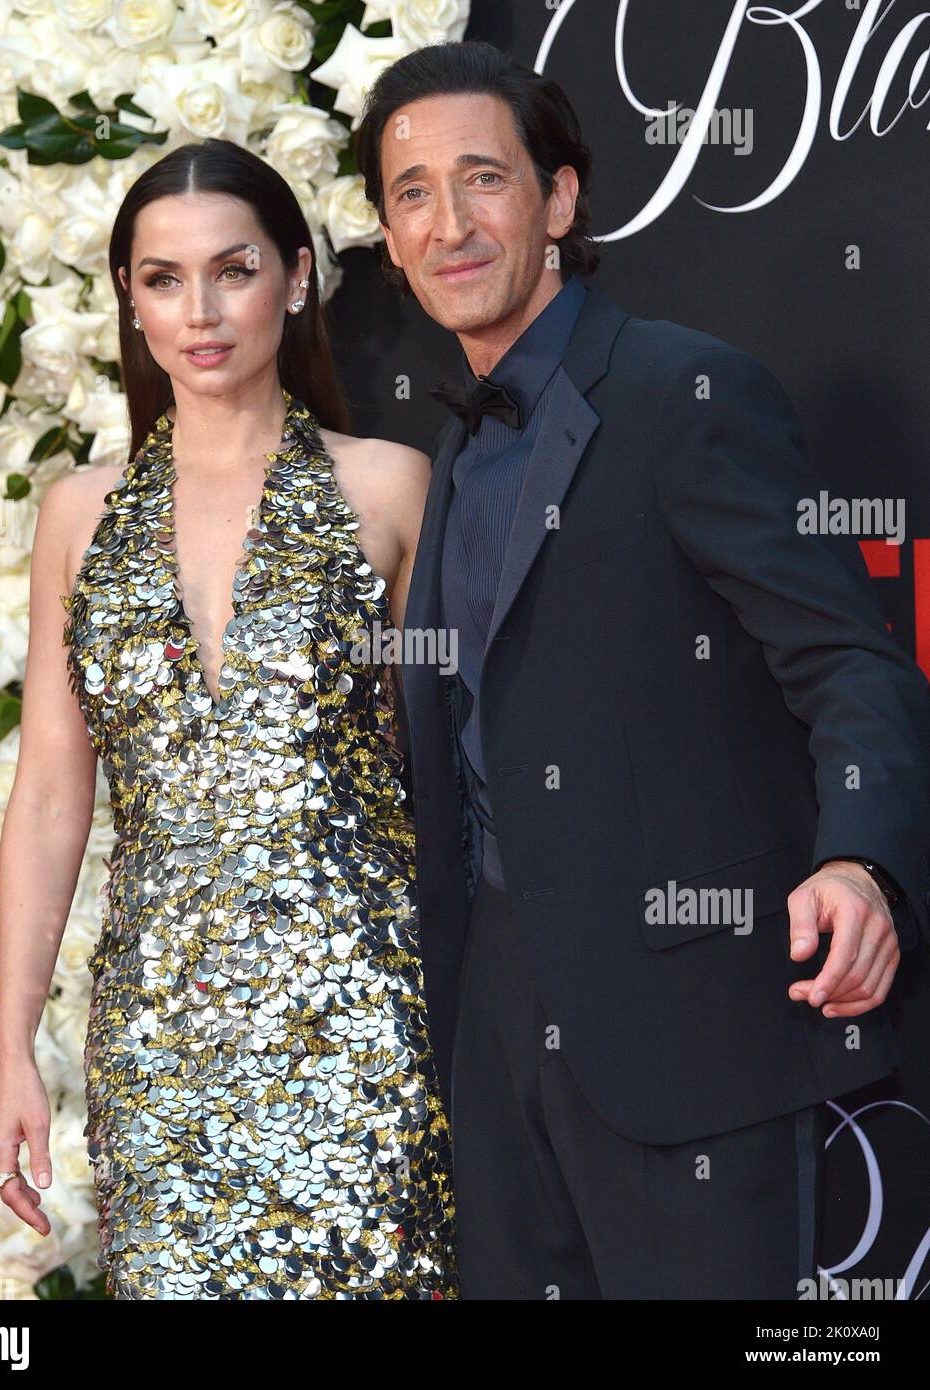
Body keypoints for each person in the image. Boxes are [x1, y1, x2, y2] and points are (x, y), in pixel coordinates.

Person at [352, 40, 930, 1299]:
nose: (447, 223)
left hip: (687, 1029)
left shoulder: (680, 390)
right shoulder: (444, 448)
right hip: (493, 1038)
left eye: (482, 180)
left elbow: (846, 659)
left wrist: (859, 858)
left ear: (559, 199)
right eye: (409, 194)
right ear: (385, 237)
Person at [0, 138, 457, 1299]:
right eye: (161, 278)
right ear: (130, 301)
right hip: (158, 1038)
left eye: (231, 269)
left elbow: (456, 773)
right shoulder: (78, 514)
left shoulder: (390, 485)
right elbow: (52, 791)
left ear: (296, 278)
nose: (199, 309)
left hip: (366, 1023)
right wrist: (13, 1049)